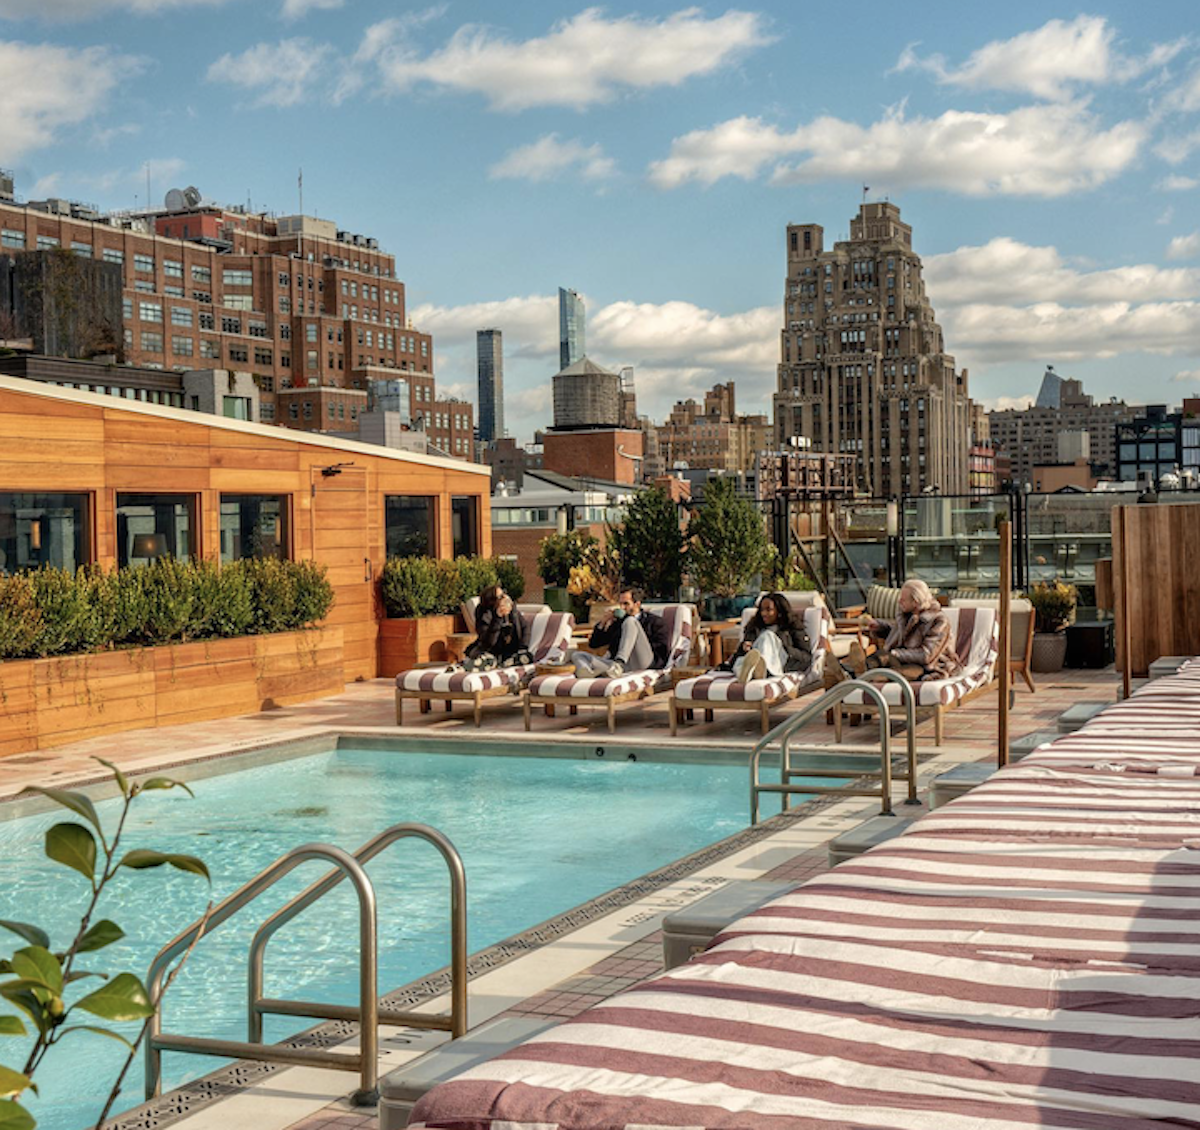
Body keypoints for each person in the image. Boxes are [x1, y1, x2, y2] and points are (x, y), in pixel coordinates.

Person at [825, 578, 961, 686]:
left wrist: (896, 653)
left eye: (903, 599)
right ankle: (849, 670)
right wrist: (879, 626)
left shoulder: (938, 621)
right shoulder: (907, 615)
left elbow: (926, 656)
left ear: (915, 602)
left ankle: (851, 674)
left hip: (931, 666)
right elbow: (901, 634)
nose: (899, 601)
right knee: (881, 655)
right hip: (904, 659)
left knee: (889, 668)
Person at [568, 586, 669, 678]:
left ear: (637, 604)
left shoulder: (654, 621)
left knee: (630, 621)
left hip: (643, 662)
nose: (622, 608)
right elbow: (594, 644)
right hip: (618, 666)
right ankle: (587, 674)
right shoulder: (618, 622)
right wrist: (603, 623)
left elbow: (661, 650)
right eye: (620, 604)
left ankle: (618, 664)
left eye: (626, 604)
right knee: (578, 655)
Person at [720, 592, 812, 683]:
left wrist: (786, 649)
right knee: (741, 660)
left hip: (778, 661)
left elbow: (806, 657)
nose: (764, 613)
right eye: (762, 610)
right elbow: (738, 655)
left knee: (767, 636)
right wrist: (744, 648)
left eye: (768, 610)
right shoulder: (754, 628)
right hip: (754, 656)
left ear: (779, 611)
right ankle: (749, 672)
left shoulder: (792, 628)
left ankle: (758, 668)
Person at [461, 585, 532, 671]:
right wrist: (498, 617)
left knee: (527, 657)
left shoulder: (512, 611)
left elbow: (525, 627)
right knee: (487, 660)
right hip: (491, 652)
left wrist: (523, 648)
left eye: (505, 593)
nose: (505, 597)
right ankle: (470, 666)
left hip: (510, 653)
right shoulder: (484, 614)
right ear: (493, 601)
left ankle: (503, 664)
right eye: (501, 596)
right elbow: (488, 642)